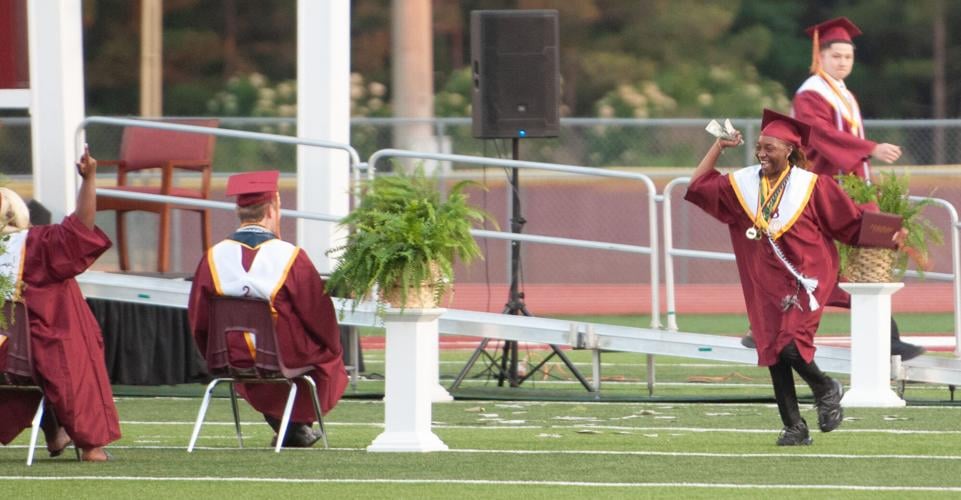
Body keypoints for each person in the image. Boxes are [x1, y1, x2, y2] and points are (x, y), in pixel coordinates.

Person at [685, 109, 905, 445]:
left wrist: (889, 231)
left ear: (789, 150)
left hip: (807, 278)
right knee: (773, 351)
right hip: (765, 281)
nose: (762, 153)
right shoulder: (744, 185)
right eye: (759, 147)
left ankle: (826, 388)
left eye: (770, 148)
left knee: (789, 346)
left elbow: (849, 222)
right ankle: (794, 427)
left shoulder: (813, 186)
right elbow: (699, 185)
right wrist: (718, 147)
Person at [742, 17, 925, 361]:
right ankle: (886, 336)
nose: (843, 62)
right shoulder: (811, 93)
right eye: (836, 56)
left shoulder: (843, 94)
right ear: (820, 58)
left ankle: (886, 336)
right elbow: (821, 136)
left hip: (850, 186)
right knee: (828, 263)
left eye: (848, 57)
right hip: (825, 190)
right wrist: (869, 148)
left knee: (863, 252)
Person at [188, 170, 347, 447]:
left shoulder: (212, 257)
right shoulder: (290, 256)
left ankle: (289, 426)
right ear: (273, 208)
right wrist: (332, 344)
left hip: (229, 356)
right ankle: (295, 425)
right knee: (322, 352)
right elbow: (317, 313)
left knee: (253, 350)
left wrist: (213, 351)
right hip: (280, 357)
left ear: (238, 209)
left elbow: (199, 320)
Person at [0, 147, 119, 461]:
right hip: (40, 356)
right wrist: (89, 180)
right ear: (16, 213)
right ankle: (91, 446)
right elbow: (81, 229)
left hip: (4, 361)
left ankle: (55, 433)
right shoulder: (37, 246)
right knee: (68, 345)